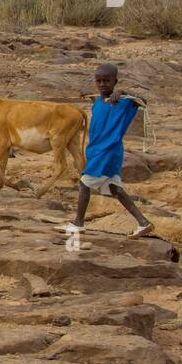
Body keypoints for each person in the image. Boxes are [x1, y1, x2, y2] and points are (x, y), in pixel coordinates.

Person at [67, 63, 153, 239]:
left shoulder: (124, 102)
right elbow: (98, 101)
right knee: (115, 188)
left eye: (107, 81)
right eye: (99, 81)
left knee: (84, 184)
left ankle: (78, 223)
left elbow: (144, 101)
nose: (102, 84)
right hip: (98, 150)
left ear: (115, 81)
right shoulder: (97, 100)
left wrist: (122, 92)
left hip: (107, 151)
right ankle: (143, 223)